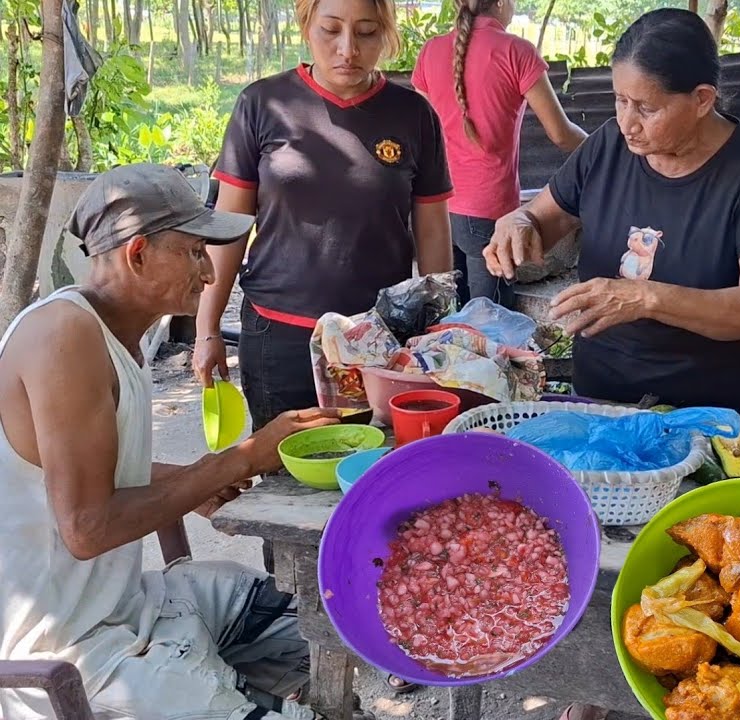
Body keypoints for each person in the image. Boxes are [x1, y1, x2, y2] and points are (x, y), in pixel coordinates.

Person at [0, 164, 345, 720]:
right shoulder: (64, 337)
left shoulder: (117, 332)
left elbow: (93, 469)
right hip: (70, 649)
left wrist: (192, 484)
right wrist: (239, 458)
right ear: (137, 254)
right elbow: (88, 528)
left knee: (322, 620)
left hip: (128, 607)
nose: (209, 274)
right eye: (192, 253)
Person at [484, 8, 740, 415]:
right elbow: (544, 217)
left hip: (704, 411)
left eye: (646, 109)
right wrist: (518, 222)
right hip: (598, 397)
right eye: (620, 100)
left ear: (702, 99)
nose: (626, 122)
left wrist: (647, 298)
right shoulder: (607, 146)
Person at [194, 0, 454, 432]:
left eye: (366, 32)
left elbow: (431, 230)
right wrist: (207, 330)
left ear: (386, 33)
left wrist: (438, 327)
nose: (347, 49)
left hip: (377, 340)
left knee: (371, 471)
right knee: (282, 477)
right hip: (278, 335)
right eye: (330, 30)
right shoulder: (262, 104)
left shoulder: (413, 115)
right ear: (306, 26)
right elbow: (230, 227)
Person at [412, 0, 587, 309]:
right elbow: (561, 134)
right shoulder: (516, 51)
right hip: (489, 216)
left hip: (438, 211)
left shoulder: (430, 51)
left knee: (446, 324)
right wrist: (605, 151)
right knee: (491, 327)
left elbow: (421, 135)